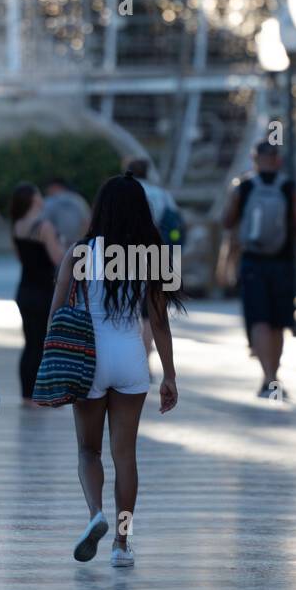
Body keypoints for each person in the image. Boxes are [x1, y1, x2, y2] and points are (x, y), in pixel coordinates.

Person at [52, 174, 181, 568]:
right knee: (125, 455)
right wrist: (170, 376)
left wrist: (51, 362)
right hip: (130, 360)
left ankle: (95, 514)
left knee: (88, 450)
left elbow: (57, 311)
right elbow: (159, 322)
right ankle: (122, 545)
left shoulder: (79, 253)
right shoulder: (152, 256)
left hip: (89, 359)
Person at [221, 141, 296, 399]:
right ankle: (275, 375)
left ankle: (267, 377)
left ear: (254, 159)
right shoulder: (288, 187)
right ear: (277, 160)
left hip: (252, 262)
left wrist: (236, 196)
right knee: (278, 322)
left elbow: (227, 221)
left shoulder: (245, 185)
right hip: (283, 262)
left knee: (259, 320)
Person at [9, 183, 63, 404]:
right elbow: (58, 258)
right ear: (33, 199)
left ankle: (26, 393)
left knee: (30, 341)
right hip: (43, 290)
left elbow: (20, 258)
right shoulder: (44, 226)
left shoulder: (17, 225)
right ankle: (41, 393)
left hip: (24, 289)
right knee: (42, 343)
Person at [125, 158, 182, 366]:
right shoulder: (162, 194)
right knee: (150, 311)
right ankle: (145, 361)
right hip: (156, 250)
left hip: (126, 252)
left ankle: (130, 359)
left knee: (127, 306)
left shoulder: (124, 192)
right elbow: (175, 221)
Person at [42, 176, 91, 249]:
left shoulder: (49, 201)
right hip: (78, 244)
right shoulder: (78, 199)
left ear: (54, 187)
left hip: (57, 247)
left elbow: (42, 224)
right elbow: (87, 222)